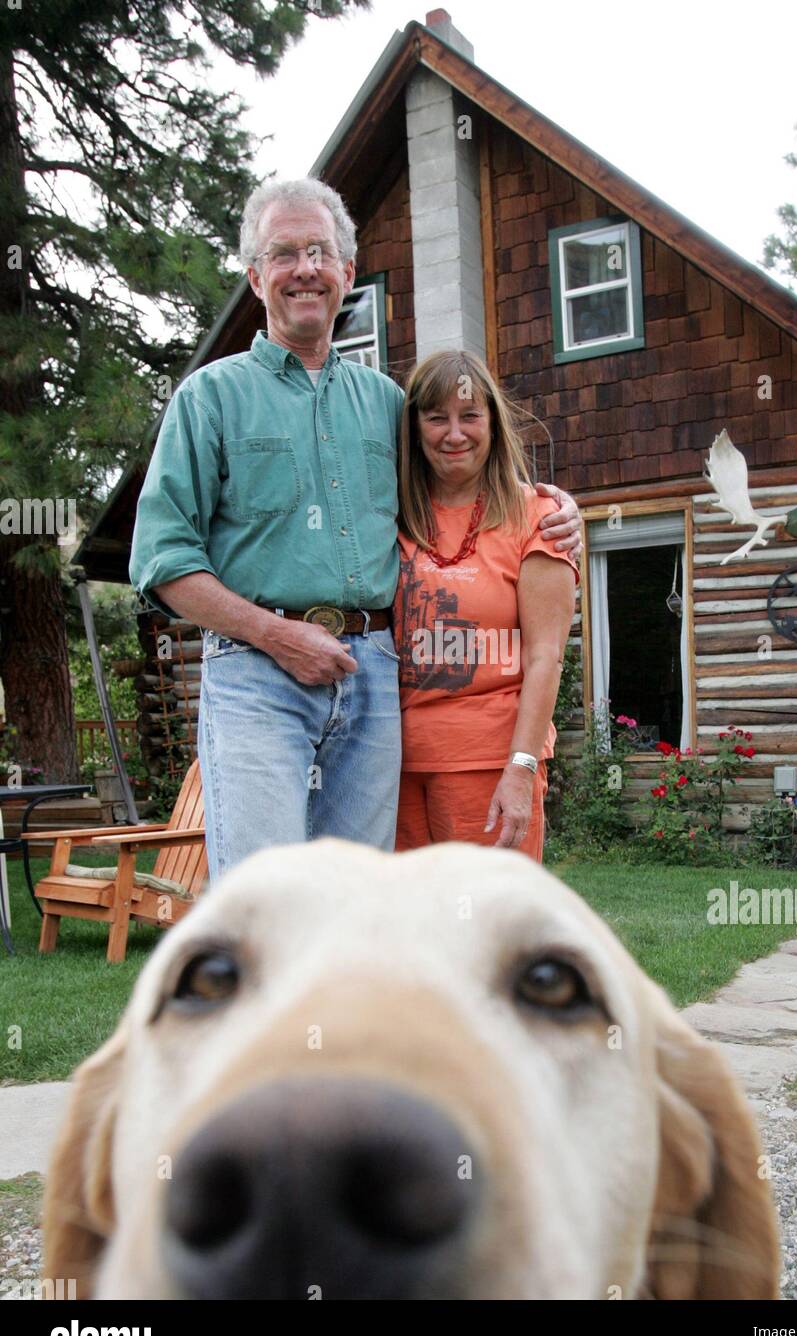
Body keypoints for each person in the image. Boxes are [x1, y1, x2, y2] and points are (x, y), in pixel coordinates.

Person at [128, 176, 581, 876]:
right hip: (256, 670)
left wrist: (547, 505)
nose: (305, 268)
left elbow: (458, 474)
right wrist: (278, 636)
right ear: (256, 277)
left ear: (346, 272)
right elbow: (161, 560)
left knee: (360, 900)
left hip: (373, 674)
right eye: (284, 254)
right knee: (265, 898)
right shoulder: (210, 398)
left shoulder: (385, 404)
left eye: (320, 252)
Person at [394, 351, 578, 861]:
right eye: (436, 417)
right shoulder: (390, 514)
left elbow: (546, 657)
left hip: (488, 760)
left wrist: (520, 769)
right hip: (392, 766)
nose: (454, 433)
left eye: (470, 416)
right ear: (414, 427)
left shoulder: (538, 516)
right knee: (411, 932)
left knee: (488, 931)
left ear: (493, 424)